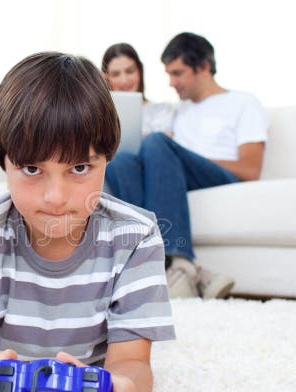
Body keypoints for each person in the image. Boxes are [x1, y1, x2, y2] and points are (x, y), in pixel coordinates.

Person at [0, 52, 175, 392]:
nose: (55, 197)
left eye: (79, 168)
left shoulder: (136, 236)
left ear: (108, 158)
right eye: (31, 168)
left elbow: (132, 362)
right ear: (3, 161)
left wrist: (126, 390)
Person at [104, 33, 268, 299]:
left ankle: (176, 256)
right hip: (181, 174)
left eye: (178, 73)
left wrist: (180, 155)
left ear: (203, 67)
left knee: (157, 143)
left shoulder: (242, 102)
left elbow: (250, 169)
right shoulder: (179, 110)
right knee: (120, 162)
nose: (171, 82)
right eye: (168, 74)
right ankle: (176, 268)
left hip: (221, 175)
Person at [101, 42, 174, 136]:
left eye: (130, 71)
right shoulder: (100, 118)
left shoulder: (162, 110)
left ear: (140, 71)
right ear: (106, 78)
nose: (124, 80)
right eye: (115, 74)